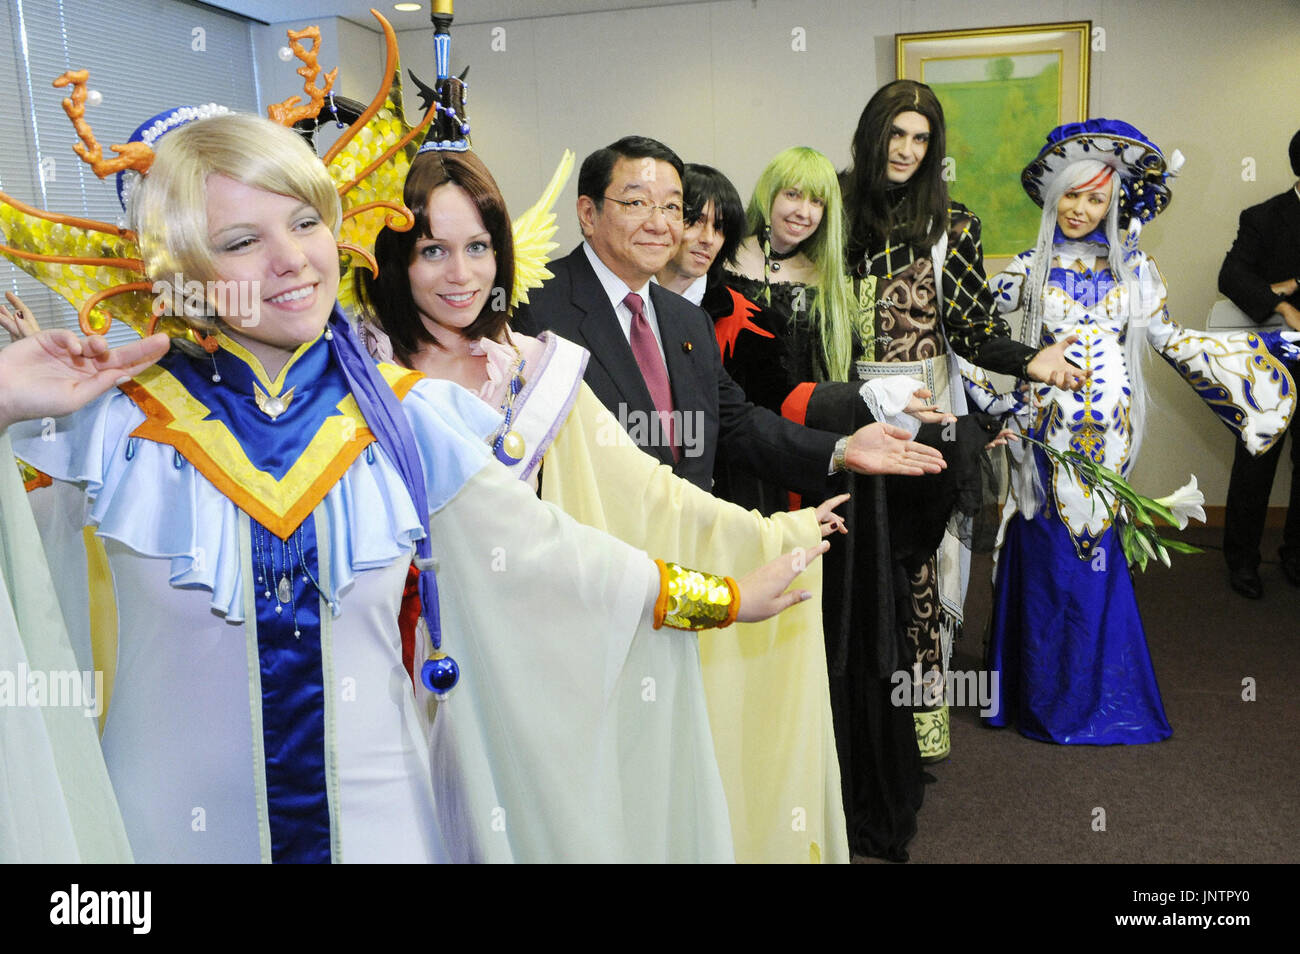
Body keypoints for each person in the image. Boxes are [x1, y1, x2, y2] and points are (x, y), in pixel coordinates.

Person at [1, 111, 825, 863]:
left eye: (303, 223)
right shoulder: (105, 427)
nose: (291, 260)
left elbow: (552, 559)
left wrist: (718, 598)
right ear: (180, 265)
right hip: (167, 832)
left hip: (383, 822)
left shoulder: (407, 418)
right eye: (242, 241)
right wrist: (5, 406)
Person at [354, 146, 858, 863]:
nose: (460, 275)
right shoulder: (356, 379)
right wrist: (717, 596)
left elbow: (644, 490)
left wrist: (769, 534)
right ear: (392, 256)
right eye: (433, 250)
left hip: (539, 656)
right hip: (392, 665)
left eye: (478, 247)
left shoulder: (533, 366)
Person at [984, 118, 1296, 745]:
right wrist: (999, 413)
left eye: (1096, 197)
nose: (1080, 208)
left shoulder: (1138, 271)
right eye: (1071, 194)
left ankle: (1098, 693)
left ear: (1114, 203)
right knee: (1050, 557)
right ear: (1052, 196)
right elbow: (979, 346)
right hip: (1044, 437)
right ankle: (1042, 698)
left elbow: (1172, 340)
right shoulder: (1022, 270)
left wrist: (1266, 351)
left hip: (1114, 438)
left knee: (1097, 559)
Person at [512, 135, 947, 495]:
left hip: (688, 556)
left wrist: (841, 449)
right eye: (637, 203)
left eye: (670, 207)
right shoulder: (534, 309)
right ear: (589, 214)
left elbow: (738, 423)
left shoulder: (686, 319)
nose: (659, 223)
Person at [1217, 128, 1300, 598]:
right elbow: (1230, 276)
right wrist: (1280, 305)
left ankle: (1296, 553)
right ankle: (1243, 561)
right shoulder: (1264, 216)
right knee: (1258, 456)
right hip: (1273, 357)